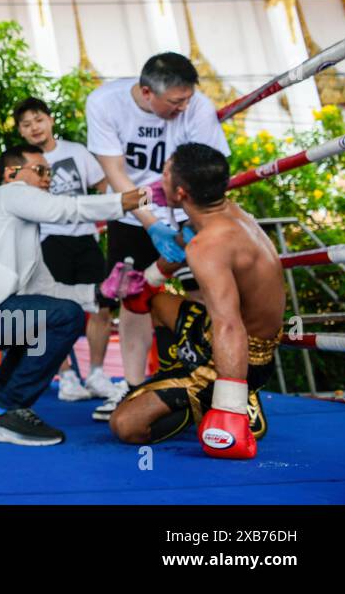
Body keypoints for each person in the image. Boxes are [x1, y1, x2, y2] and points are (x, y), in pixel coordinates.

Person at [0, 145, 147, 446]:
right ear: (11, 174)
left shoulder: (26, 239)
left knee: (43, 322)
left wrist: (101, 291)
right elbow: (64, 209)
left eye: (50, 173)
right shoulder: (6, 194)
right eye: (41, 171)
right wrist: (125, 201)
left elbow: (50, 290)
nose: (48, 179)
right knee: (65, 318)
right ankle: (9, 411)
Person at [106, 144, 282, 458]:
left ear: (182, 192)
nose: (160, 180)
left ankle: (228, 399)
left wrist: (229, 406)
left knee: (126, 425)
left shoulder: (209, 245)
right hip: (216, 333)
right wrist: (143, 281)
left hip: (240, 352)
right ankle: (181, 385)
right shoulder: (223, 214)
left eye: (166, 174)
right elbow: (178, 246)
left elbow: (229, 325)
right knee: (157, 304)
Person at [84, 52, 230, 421]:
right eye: (175, 102)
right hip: (133, 213)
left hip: (189, 209)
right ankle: (133, 386)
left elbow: (210, 168)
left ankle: (222, 381)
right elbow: (115, 172)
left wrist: (193, 222)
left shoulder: (197, 107)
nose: (183, 107)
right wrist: (151, 222)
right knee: (133, 294)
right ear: (147, 93)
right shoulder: (105, 102)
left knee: (207, 289)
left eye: (187, 99)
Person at [13, 96, 117, 402]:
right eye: (27, 124)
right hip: (47, 240)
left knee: (102, 303)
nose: (34, 128)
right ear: (20, 131)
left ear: (50, 120)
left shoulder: (77, 151)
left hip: (85, 236)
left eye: (38, 120)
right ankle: (67, 375)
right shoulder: (21, 161)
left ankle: (97, 373)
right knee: (52, 308)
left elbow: (103, 186)